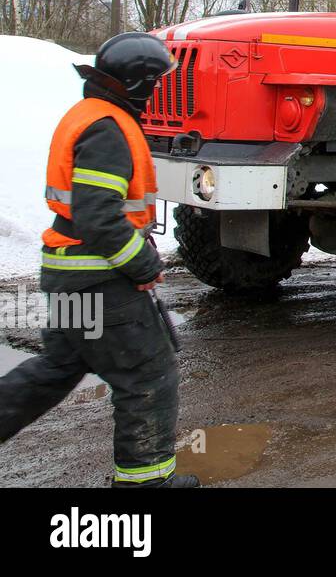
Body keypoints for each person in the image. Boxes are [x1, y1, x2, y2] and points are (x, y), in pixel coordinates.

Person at [0, 32, 199, 487]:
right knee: (147, 374)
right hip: (98, 280)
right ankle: (146, 483)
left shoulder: (91, 115)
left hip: (71, 275)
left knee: (56, 369)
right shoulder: (109, 129)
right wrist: (143, 265)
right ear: (139, 84)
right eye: (156, 82)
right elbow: (99, 217)